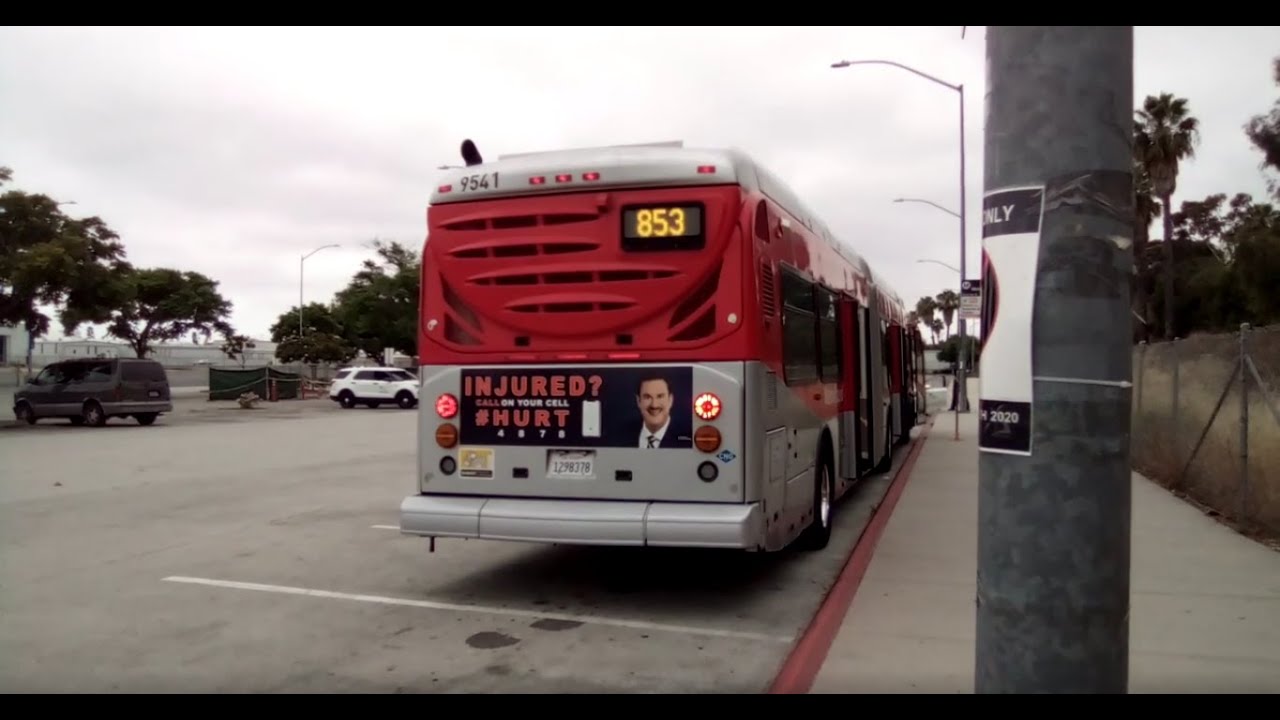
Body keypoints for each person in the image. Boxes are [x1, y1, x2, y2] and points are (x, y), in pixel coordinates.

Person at [628, 374, 690, 449]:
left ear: (670, 400)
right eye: (647, 397)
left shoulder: (688, 437)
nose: (654, 405)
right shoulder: (620, 436)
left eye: (660, 396)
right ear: (638, 401)